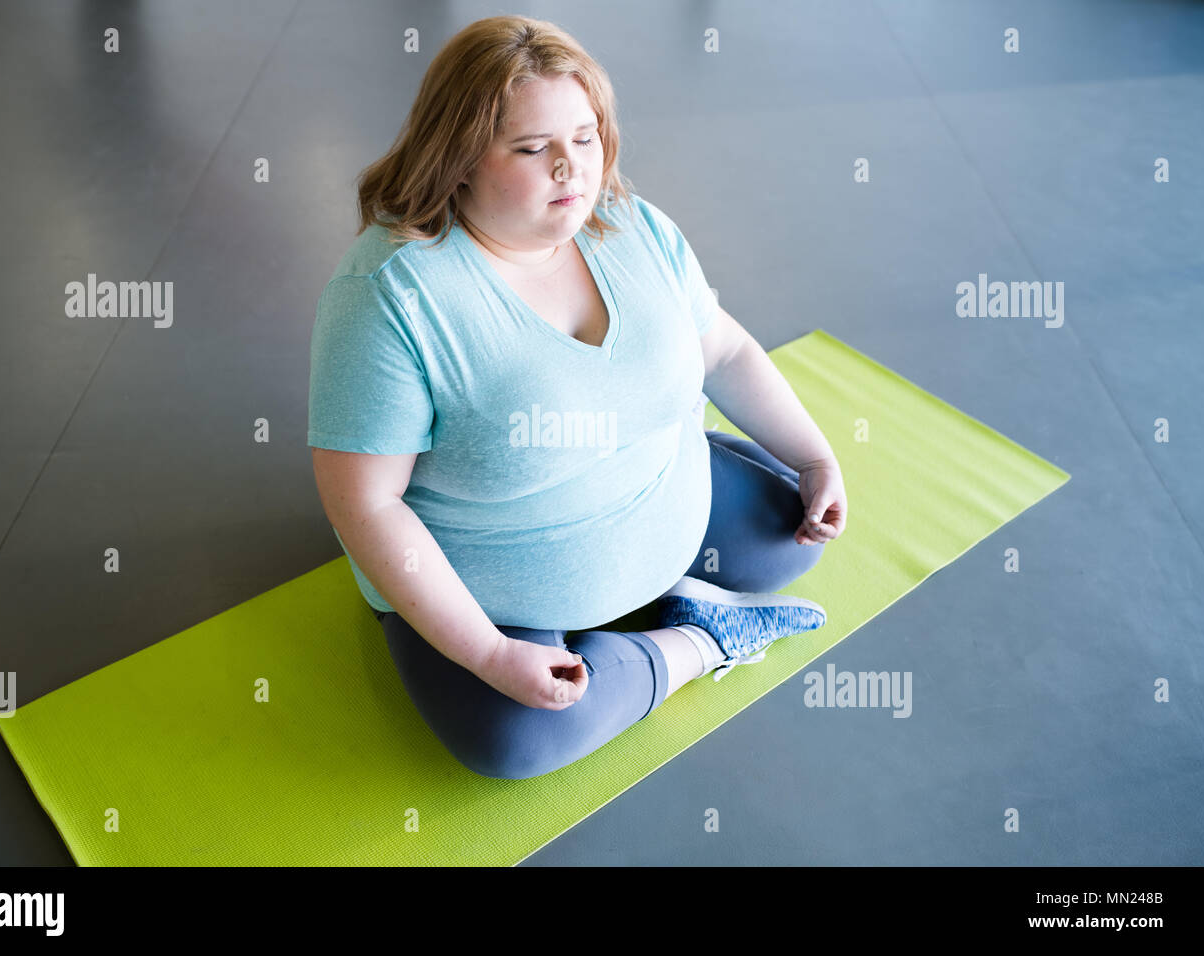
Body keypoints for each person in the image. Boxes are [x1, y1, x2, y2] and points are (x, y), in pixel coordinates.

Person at [308, 15, 848, 780]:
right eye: (533, 149)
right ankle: (698, 641)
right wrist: (491, 653)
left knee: (790, 535)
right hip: (496, 592)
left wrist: (815, 456)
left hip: (662, 497)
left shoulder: (632, 225)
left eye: (586, 137)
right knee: (518, 741)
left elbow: (722, 348)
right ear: (457, 157)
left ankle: (679, 591)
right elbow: (366, 505)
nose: (572, 168)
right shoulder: (388, 298)